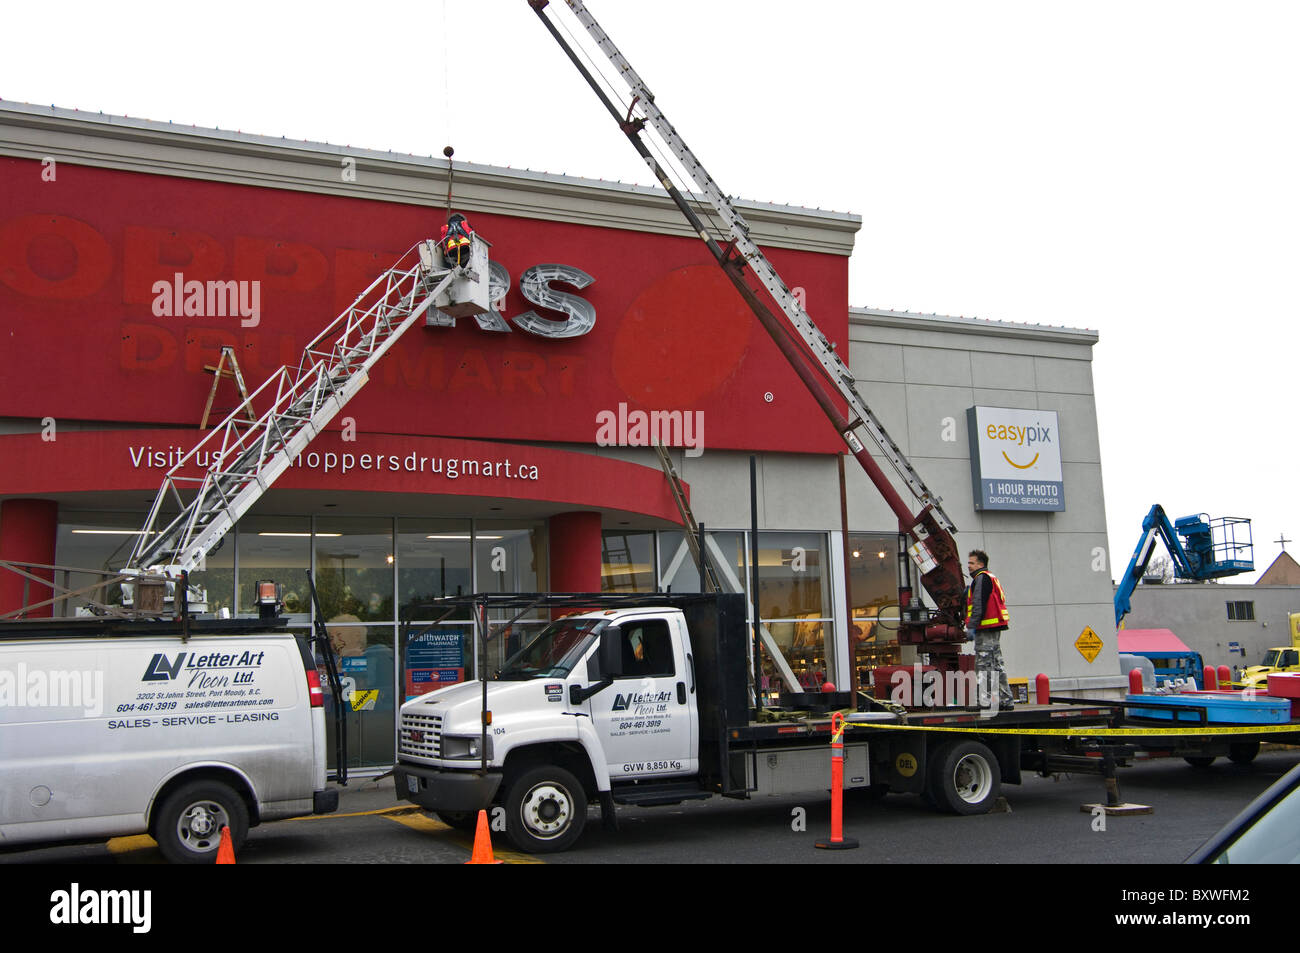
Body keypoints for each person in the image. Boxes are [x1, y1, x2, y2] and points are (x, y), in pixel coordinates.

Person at [965, 549, 1013, 711]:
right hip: (993, 628)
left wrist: (971, 626)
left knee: (983, 665)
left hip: (985, 629)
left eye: (971, 563)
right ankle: (1006, 699)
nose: (968, 566)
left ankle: (983, 701)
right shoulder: (990, 578)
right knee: (996, 664)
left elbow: (978, 604)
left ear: (981, 564)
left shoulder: (981, 579)